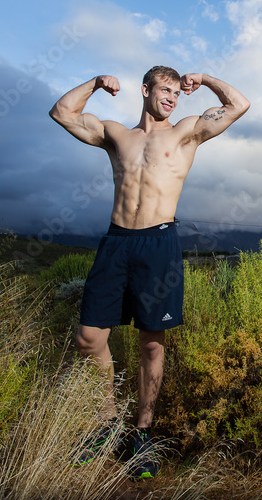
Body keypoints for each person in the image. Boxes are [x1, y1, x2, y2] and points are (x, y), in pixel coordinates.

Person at [49, 66, 250, 478]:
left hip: (158, 244)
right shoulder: (117, 135)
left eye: (177, 92)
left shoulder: (186, 132)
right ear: (145, 90)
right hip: (116, 242)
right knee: (89, 338)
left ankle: (141, 432)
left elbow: (238, 105)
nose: (172, 98)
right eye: (165, 90)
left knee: (152, 345)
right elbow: (62, 112)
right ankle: (107, 423)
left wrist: (206, 78)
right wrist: (94, 83)